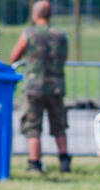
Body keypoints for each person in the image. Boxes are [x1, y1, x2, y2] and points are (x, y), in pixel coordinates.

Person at [10, 1, 70, 173]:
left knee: (32, 127)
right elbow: (64, 57)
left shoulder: (29, 33)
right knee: (59, 126)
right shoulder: (60, 35)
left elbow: (14, 55)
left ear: (35, 14)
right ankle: (64, 161)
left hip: (33, 88)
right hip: (56, 87)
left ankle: (34, 163)